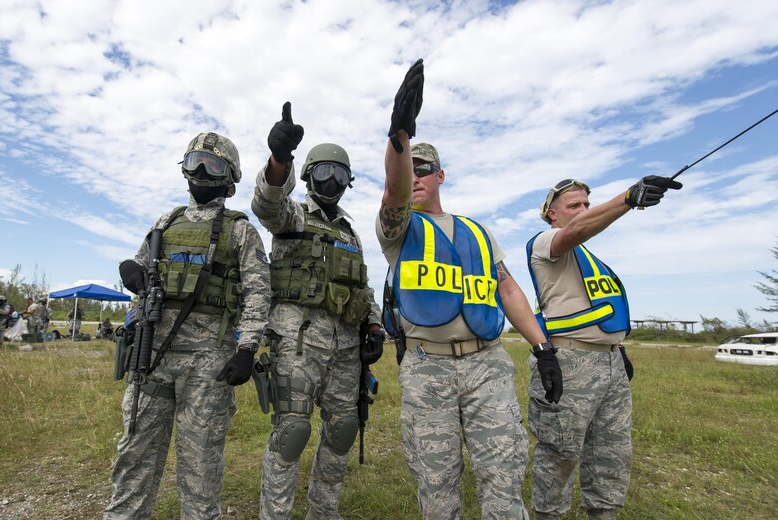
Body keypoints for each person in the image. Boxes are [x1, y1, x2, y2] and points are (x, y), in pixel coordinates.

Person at [377, 59, 563, 520]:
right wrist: (398, 137)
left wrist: (543, 348)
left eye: (426, 168)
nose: (416, 175)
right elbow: (393, 192)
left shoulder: (478, 233)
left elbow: (509, 290)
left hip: (488, 363)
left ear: (441, 175)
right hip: (428, 369)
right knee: (437, 486)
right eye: (411, 168)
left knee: (503, 476)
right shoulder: (398, 229)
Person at [104, 131, 271, 520]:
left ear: (228, 177)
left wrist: (246, 348)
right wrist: (131, 270)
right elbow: (143, 269)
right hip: (153, 353)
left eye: (211, 165)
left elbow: (259, 293)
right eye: (194, 162)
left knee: (200, 463)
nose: (200, 172)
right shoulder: (167, 221)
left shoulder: (240, 230)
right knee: (134, 452)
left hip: (208, 363)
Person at [251, 102, 384, 520]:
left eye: (339, 174)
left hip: (346, 347)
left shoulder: (350, 233)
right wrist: (279, 159)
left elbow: (360, 285)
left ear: (348, 182)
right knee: (291, 433)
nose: (330, 181)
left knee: (342, 430)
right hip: (297, 342)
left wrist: (375, 325)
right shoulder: (293, 217)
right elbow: (267, 204)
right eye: (322, 172)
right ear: (307, 176)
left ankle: (323, 512)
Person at [525, 175, 682, 519]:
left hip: (609, 365)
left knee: (611, 453)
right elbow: (575, 232)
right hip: (569, 361)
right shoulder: (545, 243)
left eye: (586, 205)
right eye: (573, 206)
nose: (582, 211)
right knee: (561, 454)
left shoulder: (588, 257)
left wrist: (616, 348)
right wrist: (628, 198)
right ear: (552, 214)